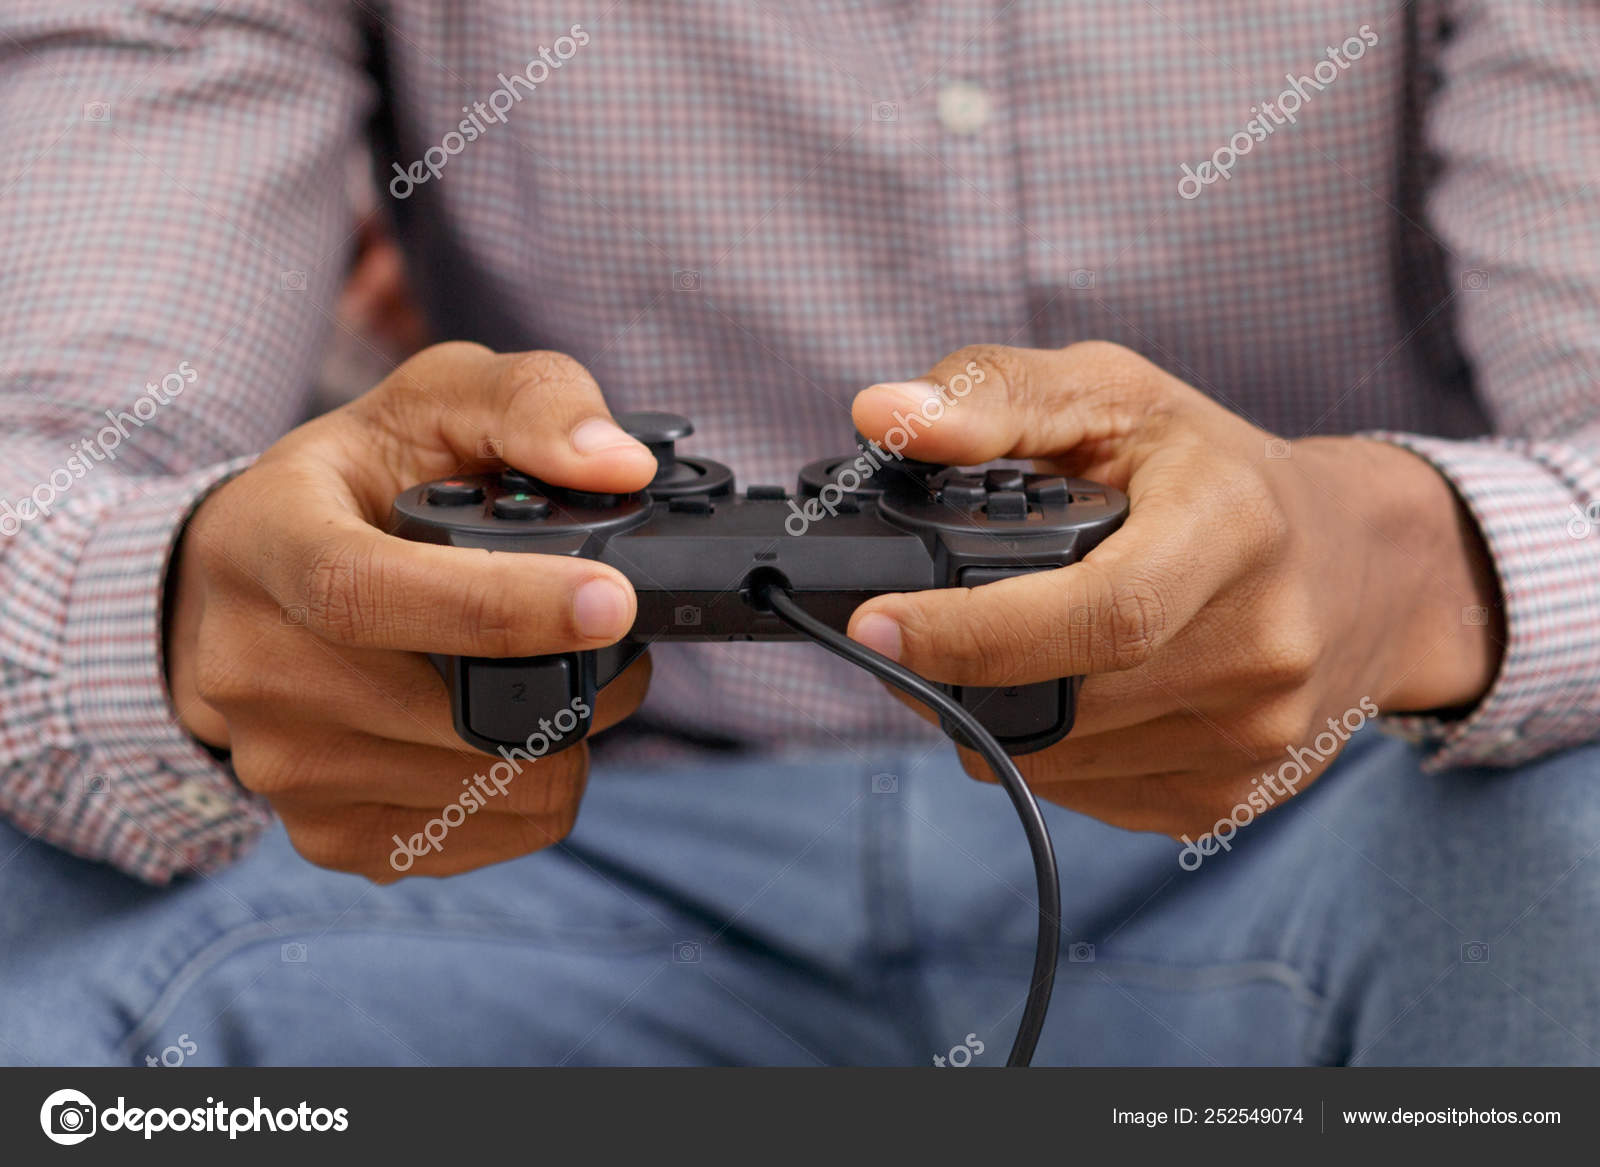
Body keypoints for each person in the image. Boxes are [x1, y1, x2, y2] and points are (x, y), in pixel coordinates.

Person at [1, 0, 1596, 1066]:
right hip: (538, 846)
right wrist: (186, 613)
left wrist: (1404, 567)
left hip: (1313, 815)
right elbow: (50, 473)